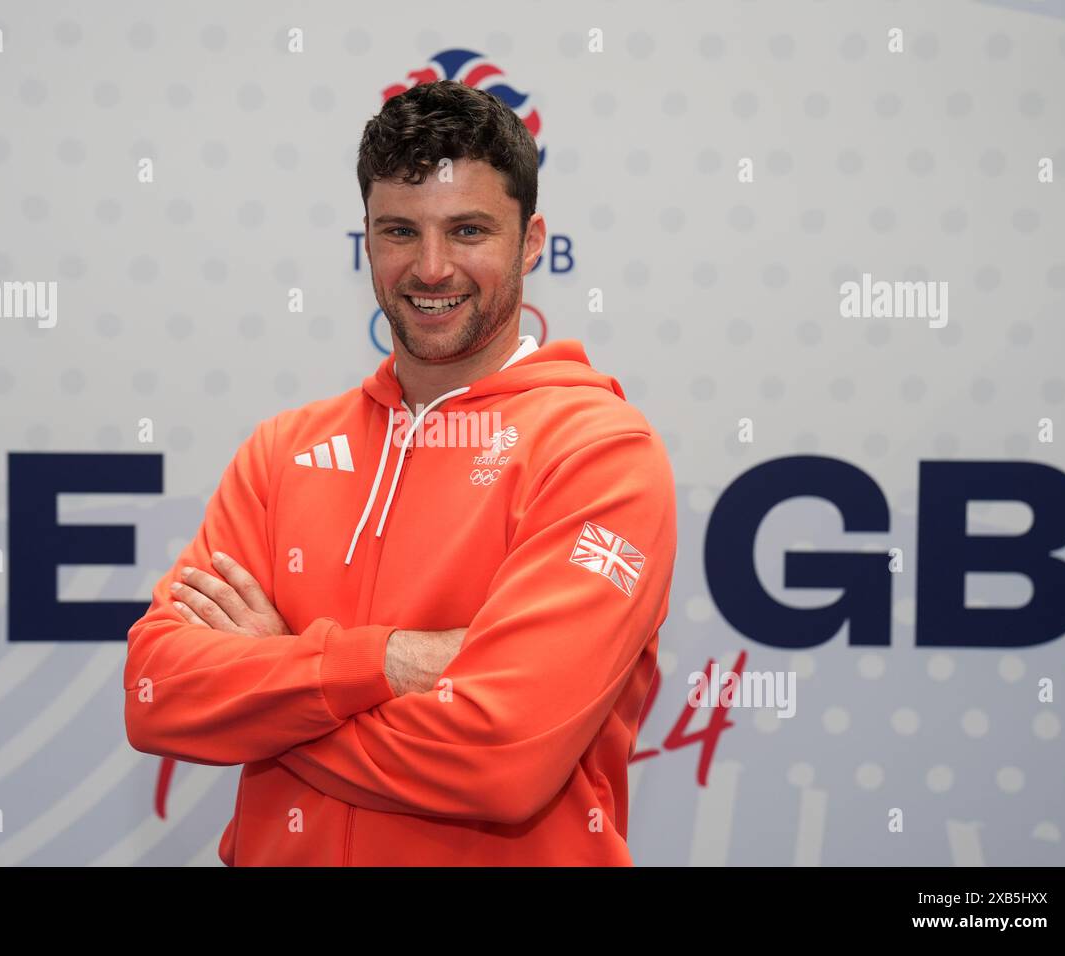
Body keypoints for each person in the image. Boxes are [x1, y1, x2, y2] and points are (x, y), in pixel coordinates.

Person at [124, 80, 677, 865]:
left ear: (530, 242)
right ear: (367, 241)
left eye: (469, 230)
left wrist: (275, 692)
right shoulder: (285, 450)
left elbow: (499, 762)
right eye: (399, 231)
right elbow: (158, 693)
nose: (432, 267)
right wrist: (382, 663)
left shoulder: (598, 454)